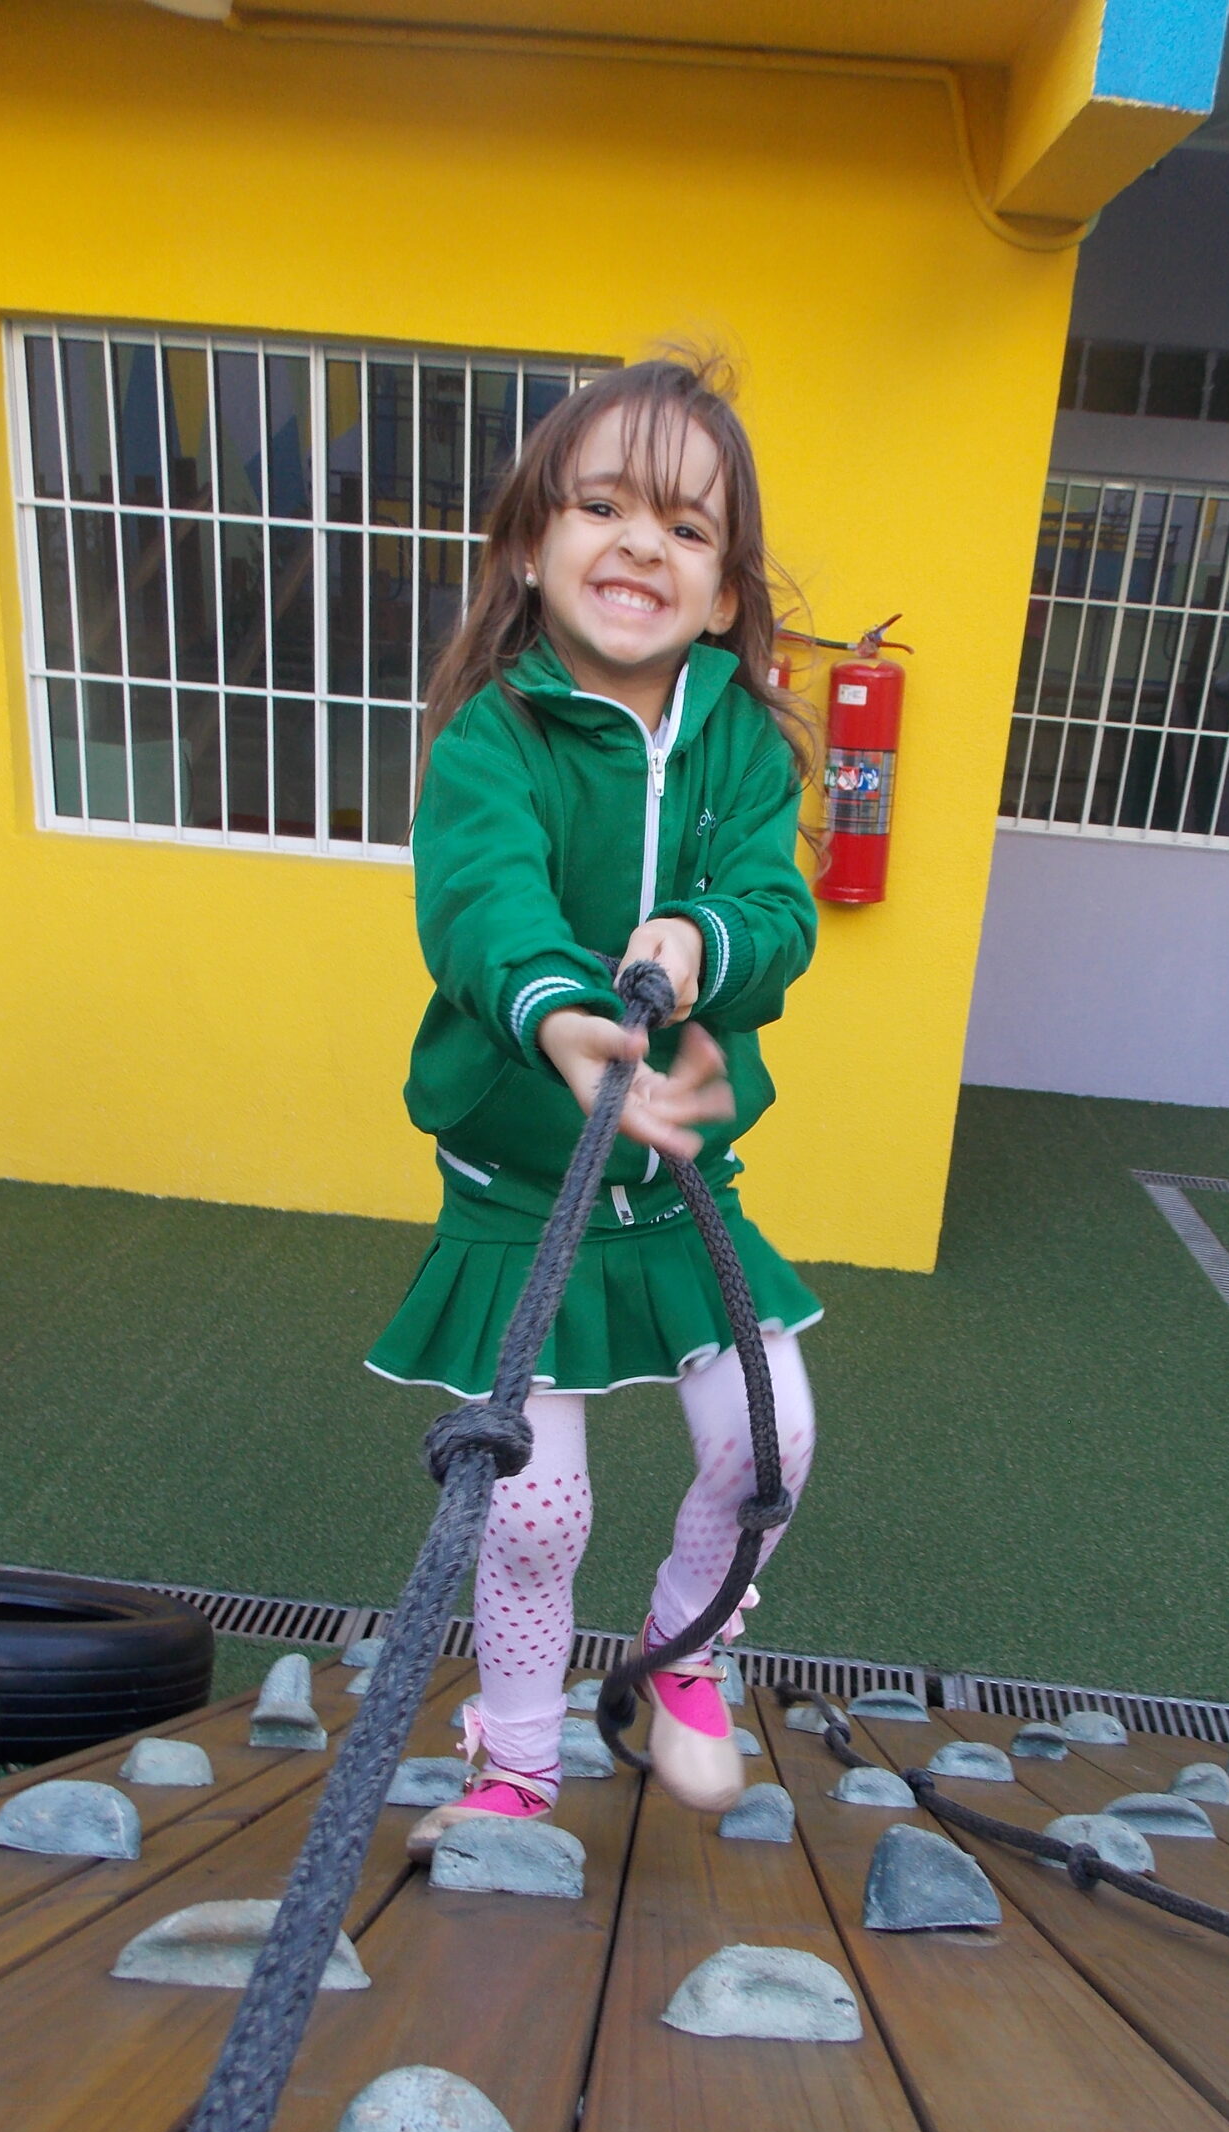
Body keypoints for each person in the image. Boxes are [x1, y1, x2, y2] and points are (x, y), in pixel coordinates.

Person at [369, 355, 821, 1852]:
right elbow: (480, 901)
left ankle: (681, 1658)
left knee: (772, 1443)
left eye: (687, 527)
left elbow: (778, 907)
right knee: (528, 1509)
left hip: (679, 1177)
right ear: (528, 545)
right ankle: (516, 1758)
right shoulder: (490, 737)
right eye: (603, 505)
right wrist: (563, 1014)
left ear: (730, 591)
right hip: (520, 1184)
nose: (642, 543)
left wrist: (703, 939)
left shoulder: (744, 743)